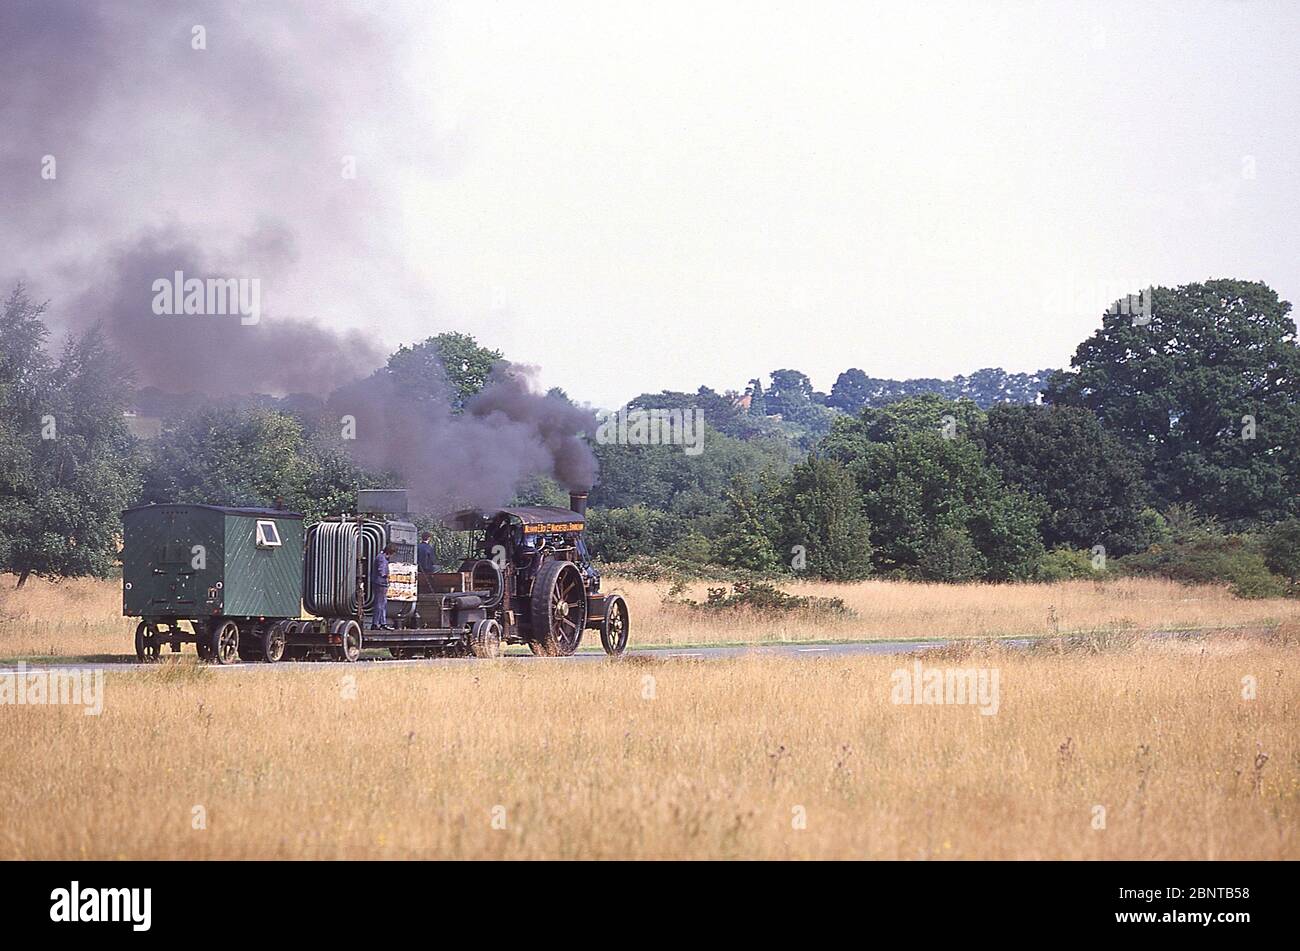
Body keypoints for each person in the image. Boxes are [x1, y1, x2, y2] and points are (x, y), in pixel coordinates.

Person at [371, 544, 395, 630]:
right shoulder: (381, 558)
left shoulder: (382, 558)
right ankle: (376, 623)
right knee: (379, 604)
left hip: (382, 583)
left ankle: (382, 623)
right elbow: (381, 570)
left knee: (383, 603)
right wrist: (386, 575)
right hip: (380, 583)